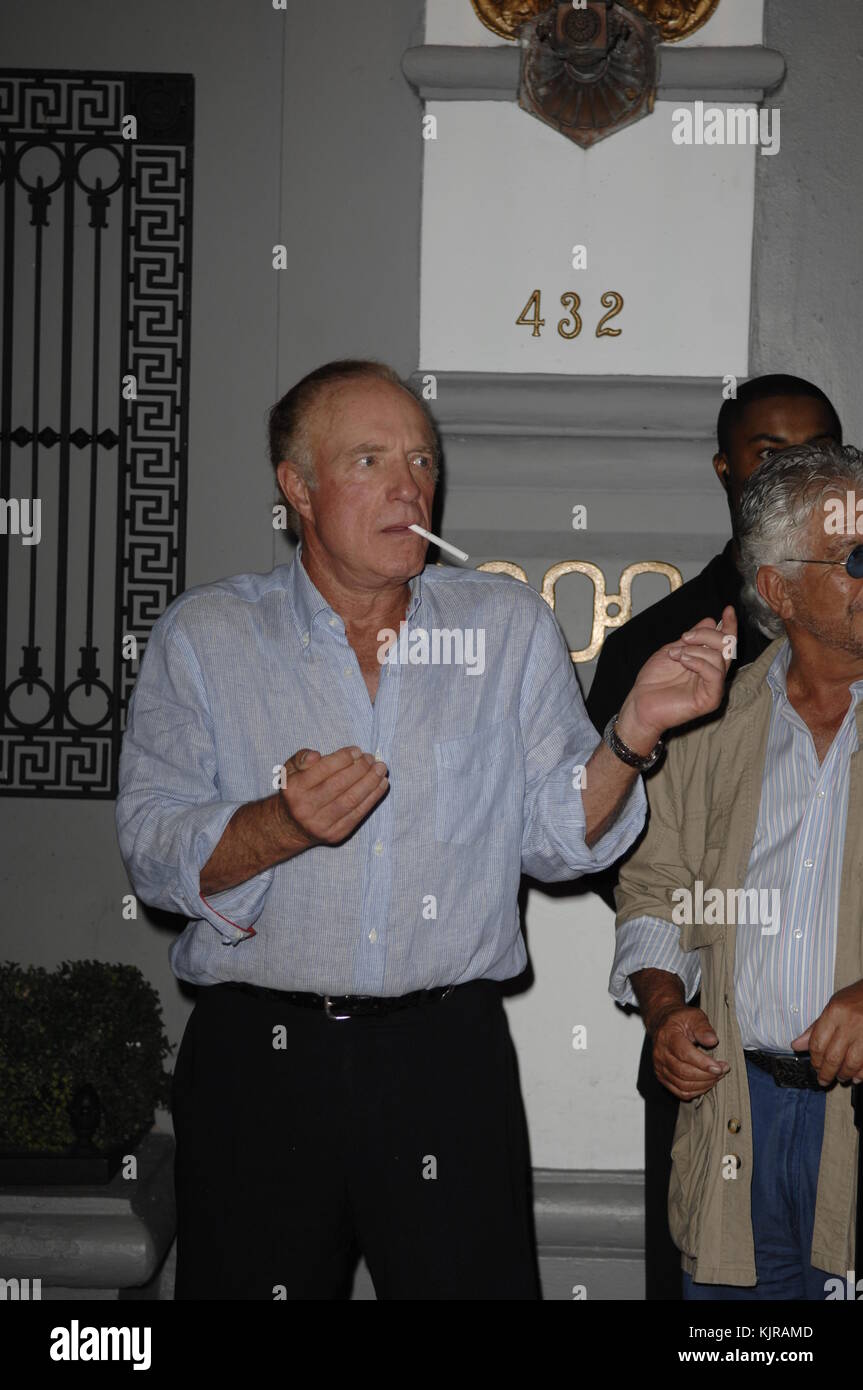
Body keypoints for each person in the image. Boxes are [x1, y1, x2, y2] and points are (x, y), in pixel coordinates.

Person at [116, 358, 733, 1300]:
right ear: (297, 487)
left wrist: (630, 736)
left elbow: (558, 840)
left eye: (420, 460)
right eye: (369, 459)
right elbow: (155, 853)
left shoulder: (507, 628)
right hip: (259, 1063)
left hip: (446, 1062)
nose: (408, 485)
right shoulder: (207, 637)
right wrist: (278, 826)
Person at [586, 375, 842, 1298]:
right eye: (772, 453)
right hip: (729, 1088)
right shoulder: (687, 677)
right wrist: (666, 1001)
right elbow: (635, 873)